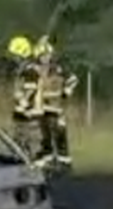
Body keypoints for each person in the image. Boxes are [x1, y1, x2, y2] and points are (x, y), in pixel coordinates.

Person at [6, 35, 78, 167]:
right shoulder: (33, 69)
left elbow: (30, 90)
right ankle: (49, 164)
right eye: (42, 56)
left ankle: (59, 167)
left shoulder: (51, 69)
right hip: (41, 111)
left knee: (55, 142)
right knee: (43, 144)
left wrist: (66, 92)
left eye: (46, 55)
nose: (44, 59)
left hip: (43, 113)